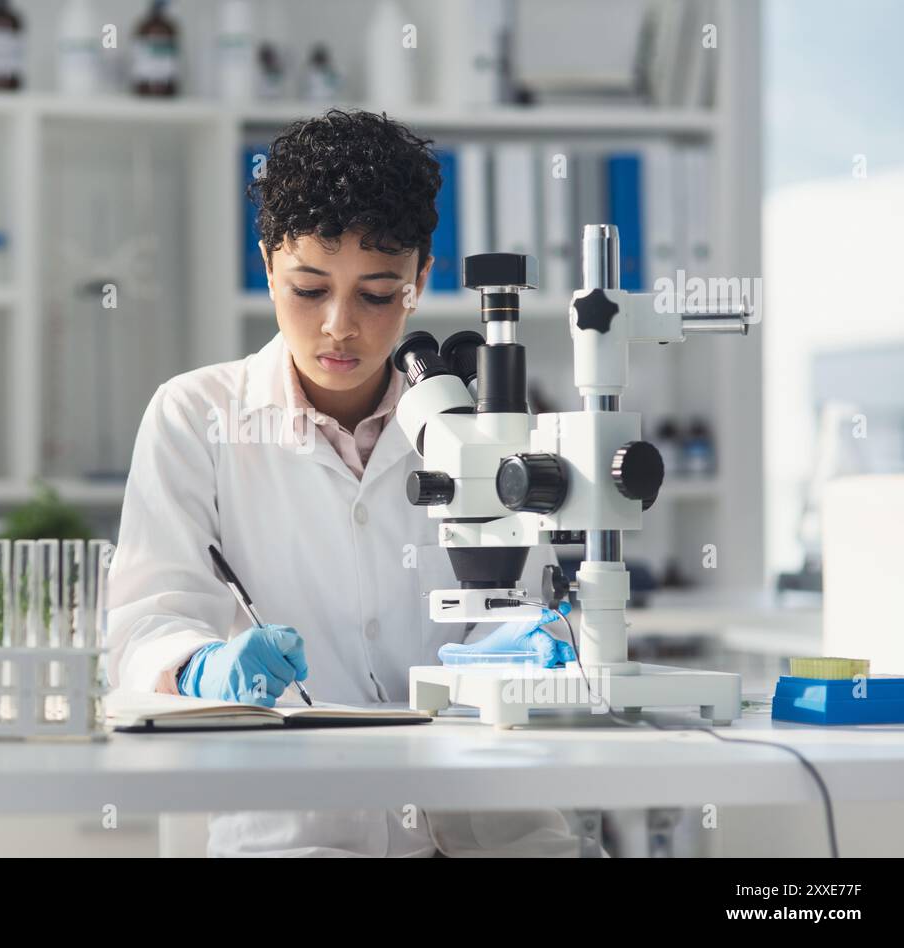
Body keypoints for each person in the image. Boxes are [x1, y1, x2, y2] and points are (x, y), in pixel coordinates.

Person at [107, 109, 581, 857]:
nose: (339, 326)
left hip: (496, 825)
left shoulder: (485, 430)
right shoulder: (194, 416)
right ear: (266, 266)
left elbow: (529, 611)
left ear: (422, 279)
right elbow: (143, 623)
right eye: (308, 287)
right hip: (301, 834)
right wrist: (202, 666)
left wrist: (527, 644)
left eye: (377, 293)